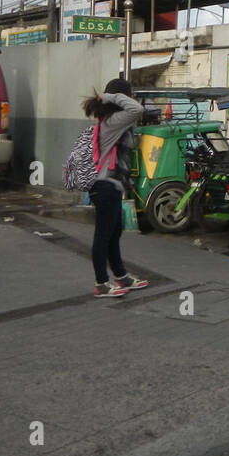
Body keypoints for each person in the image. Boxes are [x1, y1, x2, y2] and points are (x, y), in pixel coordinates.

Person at [80, 78, 150, 297]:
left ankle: (121, 277)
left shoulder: (111, 119)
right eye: (129, 94)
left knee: (113, 232)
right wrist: (109, 96)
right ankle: (101, 283)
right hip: (105, 186)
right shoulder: (115, 119)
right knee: (103, 234)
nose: (132, 98)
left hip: (110, 186)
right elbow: (137, 109)